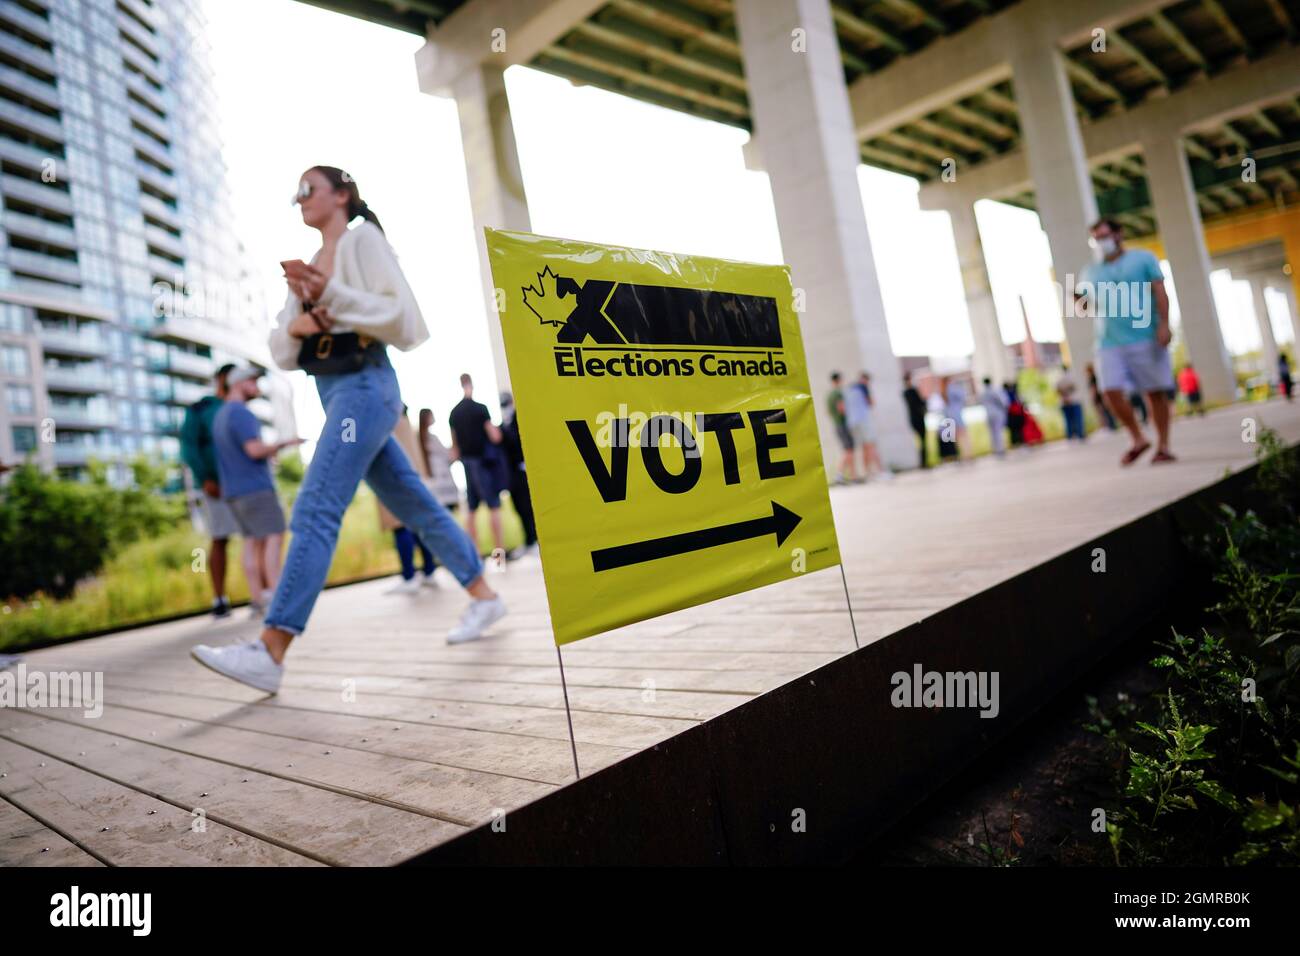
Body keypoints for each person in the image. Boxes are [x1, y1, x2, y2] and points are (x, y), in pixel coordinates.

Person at [192, 166, 506, 694]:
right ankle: (485, 596)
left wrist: (332, 297)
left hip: (367, 387)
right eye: (295, 193)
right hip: (333, 392)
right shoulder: (309, 264)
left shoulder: (364, 242)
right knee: (416, 504)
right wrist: (300, 320)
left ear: (341, 195)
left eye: (307, 190)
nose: (299, 200)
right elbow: (281, 350)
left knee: (316, 506)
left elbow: (405, 319)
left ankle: (272, 648)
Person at [1075, 217, 1176, 465]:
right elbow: (1085, 306)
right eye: (1097, 238)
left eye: (1105, 236)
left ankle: (1163, 445)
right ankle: (1138, 438)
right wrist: (1078, 300)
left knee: (1155, 393)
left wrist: (1164, 324)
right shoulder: (1090, 271)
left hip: (1145, 335)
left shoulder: (1143, 258)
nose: (1102, 242)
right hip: (1108, 341)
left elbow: (1160, 291)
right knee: (1109, 391)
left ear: (1119, 234)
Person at [211, 367, 299, 617]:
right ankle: (278, 597)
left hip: (233, 491)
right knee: (274, 536)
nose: (258, 386)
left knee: (252, 542)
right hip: (255, 488)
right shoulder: (241, 413)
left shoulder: (220, 415)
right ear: (239, 383)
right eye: (253, 381)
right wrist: (283, 443)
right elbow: (253, 450)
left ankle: (258, 599)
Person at [179, 363, 237, 618]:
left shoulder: (239, 406)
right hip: (216, 484)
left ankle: (265, 594)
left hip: (245, 483)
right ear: (222, 379)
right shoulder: (201, 408)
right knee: (220, 536)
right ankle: (219, 598)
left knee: (262, 537)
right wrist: (204, 478)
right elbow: (188, 446)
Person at [380, 406, 436, 594]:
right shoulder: (407, 425)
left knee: (400, 527)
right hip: (415, 482)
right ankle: (429, 571)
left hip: (395, 485)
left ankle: (409, 576)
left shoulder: (388, 425)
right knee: (419, 527)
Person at [449, 373, 506, 555]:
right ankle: (500, 554)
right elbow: (495, 436)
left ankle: (475, 555)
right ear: (471, 385)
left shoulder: (454, 413)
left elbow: (455, 448)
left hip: (466, 464)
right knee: (494, 507)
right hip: (483, 463)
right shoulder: (480, 409)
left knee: (471, 510)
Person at [498, 392, 537, 558]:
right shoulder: (503, 425)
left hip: (524, 469)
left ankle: (534, 539)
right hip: (512, 472)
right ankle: (529, 540)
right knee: (519, 507)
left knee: (528, 506)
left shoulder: (518, 419)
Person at [844, 372, 883, 479]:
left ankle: (867, 473)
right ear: (866, 380)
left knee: (864, 447)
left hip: (852, 423)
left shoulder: (849, 388)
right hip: (863, 420)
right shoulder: (863, 387)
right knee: (871, 445)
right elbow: (871, 402)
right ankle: (880, 471)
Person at [827, 371, 858, 482]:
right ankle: (843, 475)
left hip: (837, 425)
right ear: (839, 380)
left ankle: (851, 476)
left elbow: (829, 412)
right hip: (842, 424)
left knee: (847, 449)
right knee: (849, 449)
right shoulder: (838, 393)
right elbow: (841, 409)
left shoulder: (829, 395)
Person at [902, 372, 928, 468]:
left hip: (913, 419)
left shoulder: (905, 392)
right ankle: (923, 462)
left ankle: (923, 462)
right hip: (918, 418)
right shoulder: (912, 391)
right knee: (922, 441)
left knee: (921, 441)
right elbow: (920, 403)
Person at [977, 376, 1007, 457]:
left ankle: (996, 450)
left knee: (992, 433)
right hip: (997, 413)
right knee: (998, 432)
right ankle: (1000, 449)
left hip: (988, 414)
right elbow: (1002, 402)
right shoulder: (995, 391)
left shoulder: (982, 393)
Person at [1056, 364, 1085, 440]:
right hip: (1074, 401)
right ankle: (1080, 435)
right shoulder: (1072, 377)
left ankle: (1071, 436)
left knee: (1068, 420)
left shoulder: (1059, 379)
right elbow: (1074, 387)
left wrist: (1065, 396)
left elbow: (1058, 390)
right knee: (1077, 419)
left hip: (1065, 402)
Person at [943, 375, 968, 459]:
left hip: (950, 415)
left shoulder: (945, 390)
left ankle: (960, 454)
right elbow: (962, 396)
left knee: (956, 437)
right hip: (956, 414)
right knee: (963, 435)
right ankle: (967, 454)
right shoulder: (952, 388)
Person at [1086, 362, 1115, 430]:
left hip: (1098, 397)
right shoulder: (1095, 376)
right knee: (1105, 411)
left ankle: (1110, 425)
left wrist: (1093, 397)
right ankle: (1110, 425)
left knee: (1104, 411)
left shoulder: (1092, 378)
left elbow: (1094, 388)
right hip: (1100, 396)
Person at [1004, 380, 1026, 448]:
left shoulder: (1006, 394)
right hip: (1016, 412)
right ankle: (1020, 441)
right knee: (1018, 428)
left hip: (1012, 414)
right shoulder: (1013, 393)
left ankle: (1016, 442)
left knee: (1014, 429)